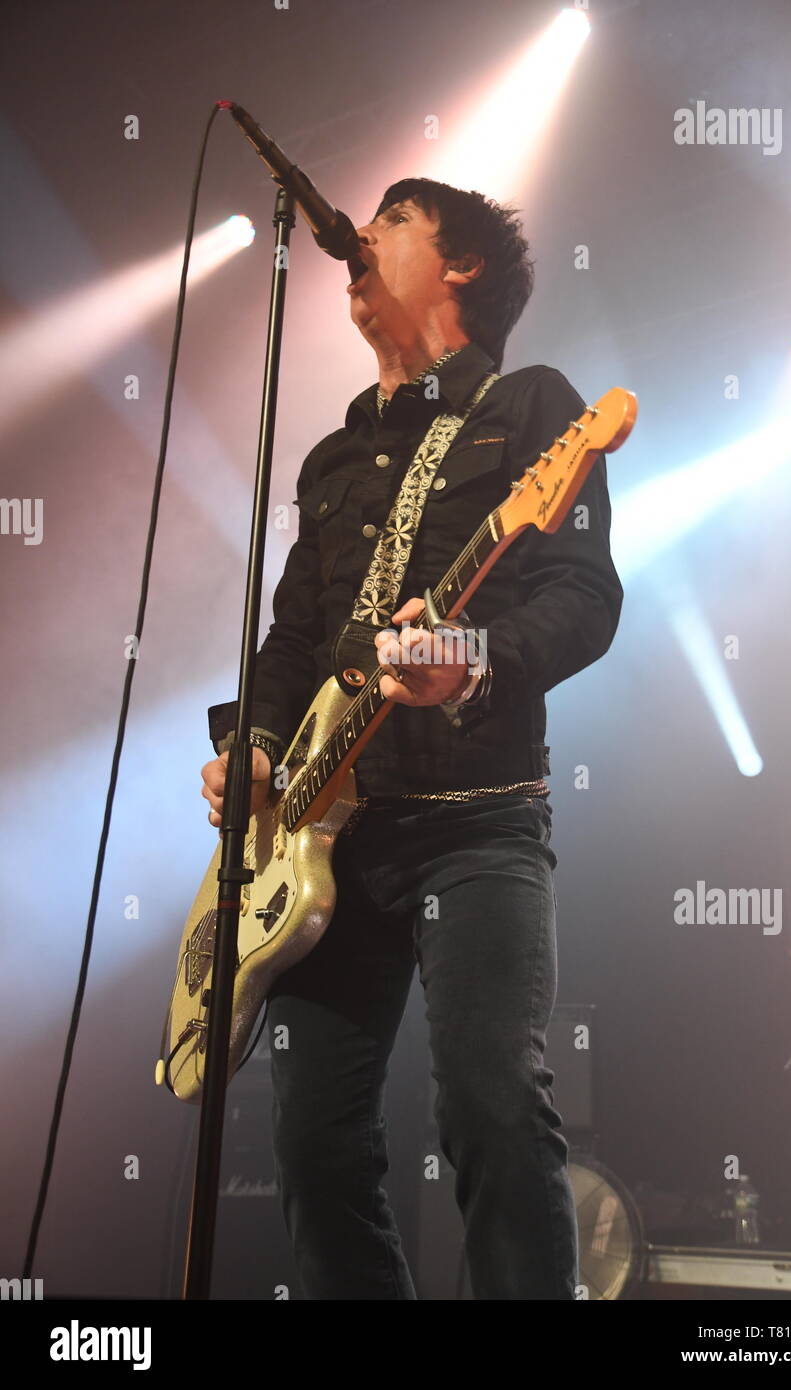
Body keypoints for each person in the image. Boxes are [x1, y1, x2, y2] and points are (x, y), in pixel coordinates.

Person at [200, 177, 623, 1299]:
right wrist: (251, 743)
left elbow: (584, 600)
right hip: (320, 838)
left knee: (488, 1103)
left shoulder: (534, 407)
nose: (359, 233)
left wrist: (468, 656)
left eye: (389, 220)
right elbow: (295, 641)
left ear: (461, 265)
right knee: (311, 1145)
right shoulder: (333, 459)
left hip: (474, 821)